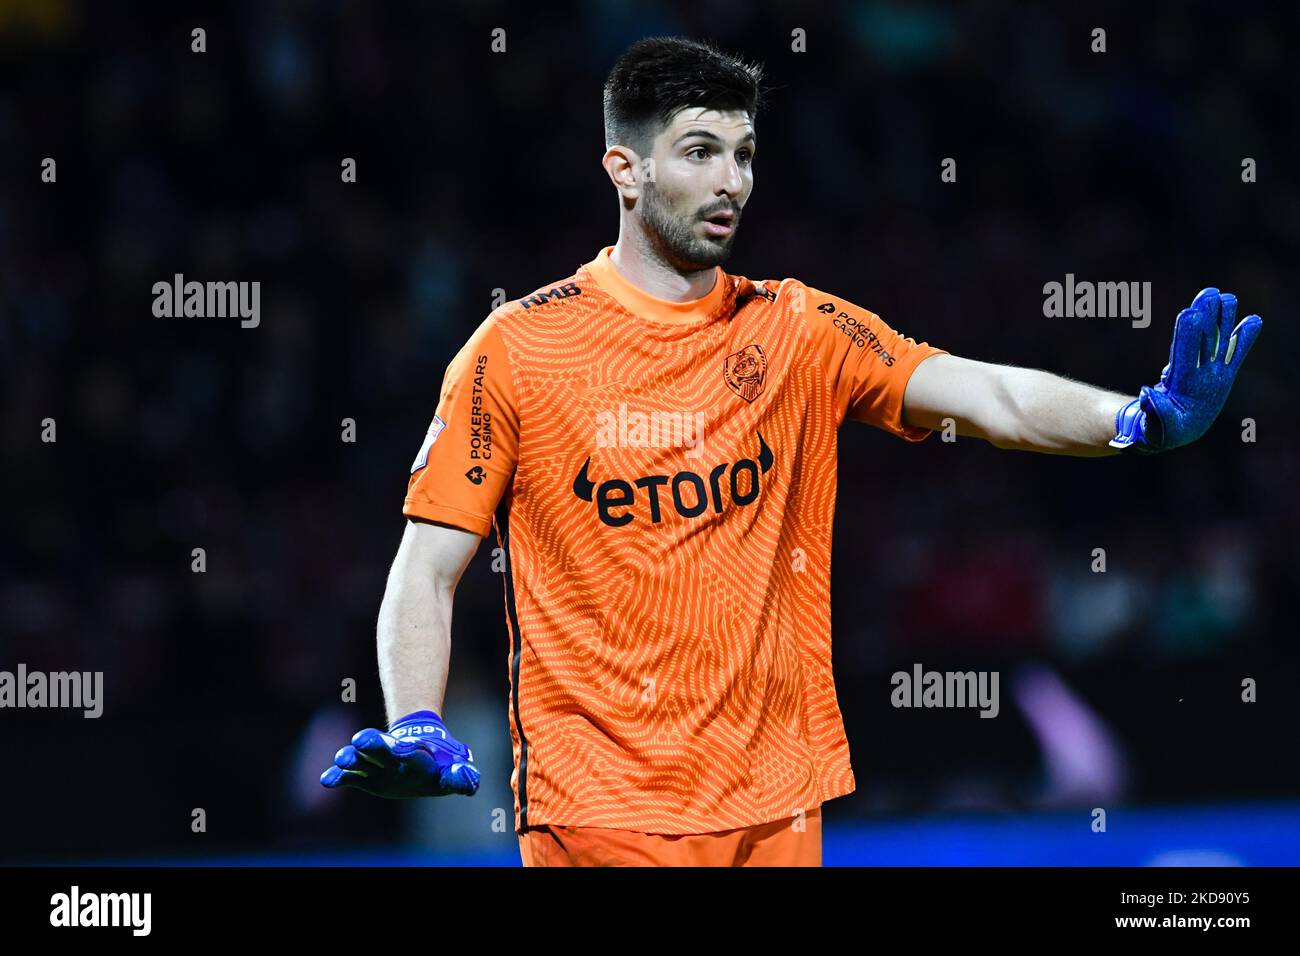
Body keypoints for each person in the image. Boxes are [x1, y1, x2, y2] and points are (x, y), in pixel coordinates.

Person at [320, 37, 1262, 867]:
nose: (732, 181)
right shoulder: (516, 350)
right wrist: (416, 718)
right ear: (625, 169)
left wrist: (1138, 418)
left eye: (744, 154)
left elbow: (989, 395)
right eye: (699, 152)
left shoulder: (800, 330)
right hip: (600, 811)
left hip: (777, 802)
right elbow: (427, 566)